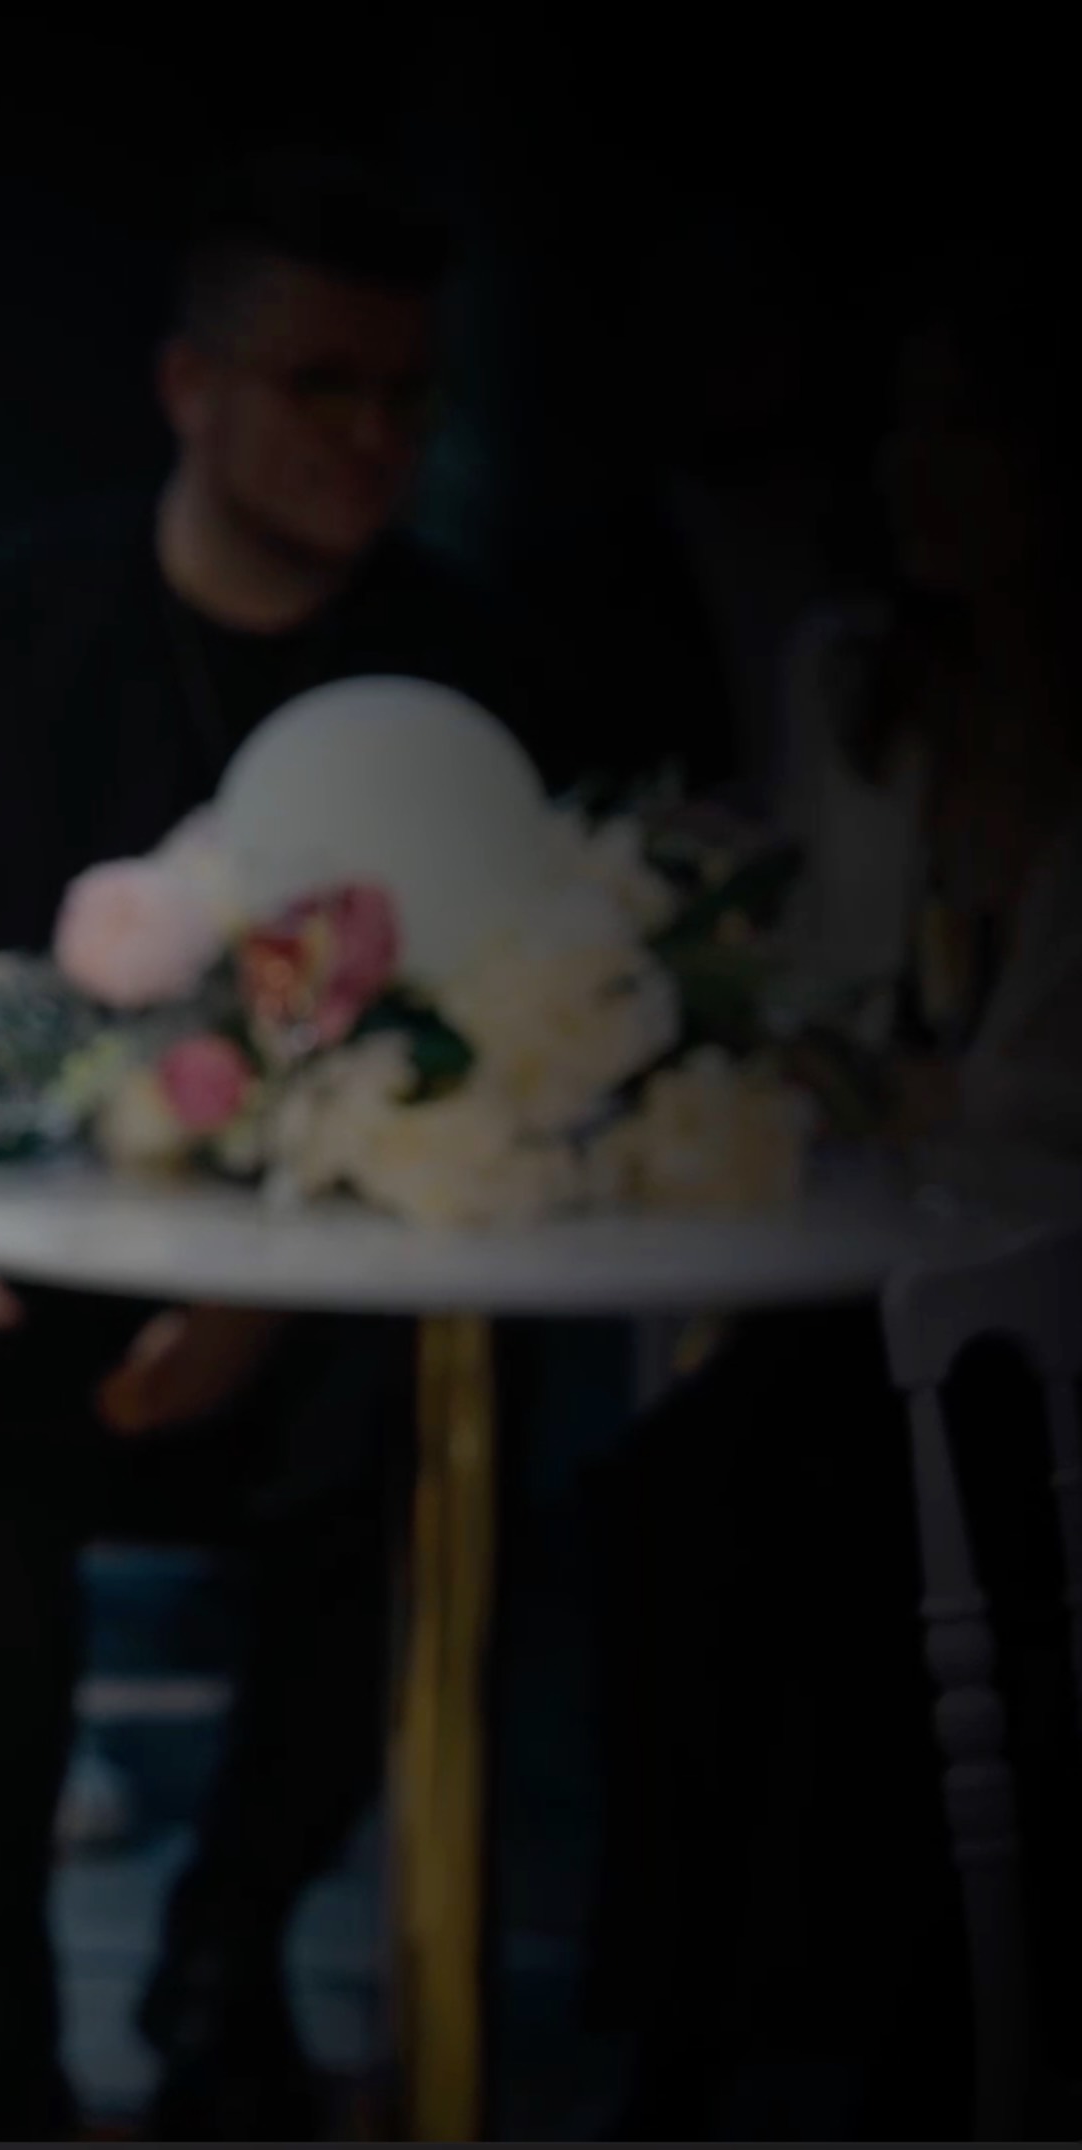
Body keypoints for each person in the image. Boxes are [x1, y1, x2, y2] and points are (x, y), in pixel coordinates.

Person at [0, 148, 550, 2138]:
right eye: (317, 384)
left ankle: (228, 1951)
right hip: (13, 1278)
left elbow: (512, 1047)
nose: (368, 436)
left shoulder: (461, 670)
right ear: (192, 384)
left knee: (428, 1417)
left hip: (327, 1311)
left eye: (405, 393)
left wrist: (266, 1288)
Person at [585, 248, 1081, 2139]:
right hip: (860, 1282)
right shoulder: (852, 684)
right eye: (906, 424)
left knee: (907, 1531)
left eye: (977, 426)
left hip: (1045, 1302)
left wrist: (917, 1086)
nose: (923, 468)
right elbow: (808, 1012)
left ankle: (906, 2057)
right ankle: (684, 2048)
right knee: (682, 1499)